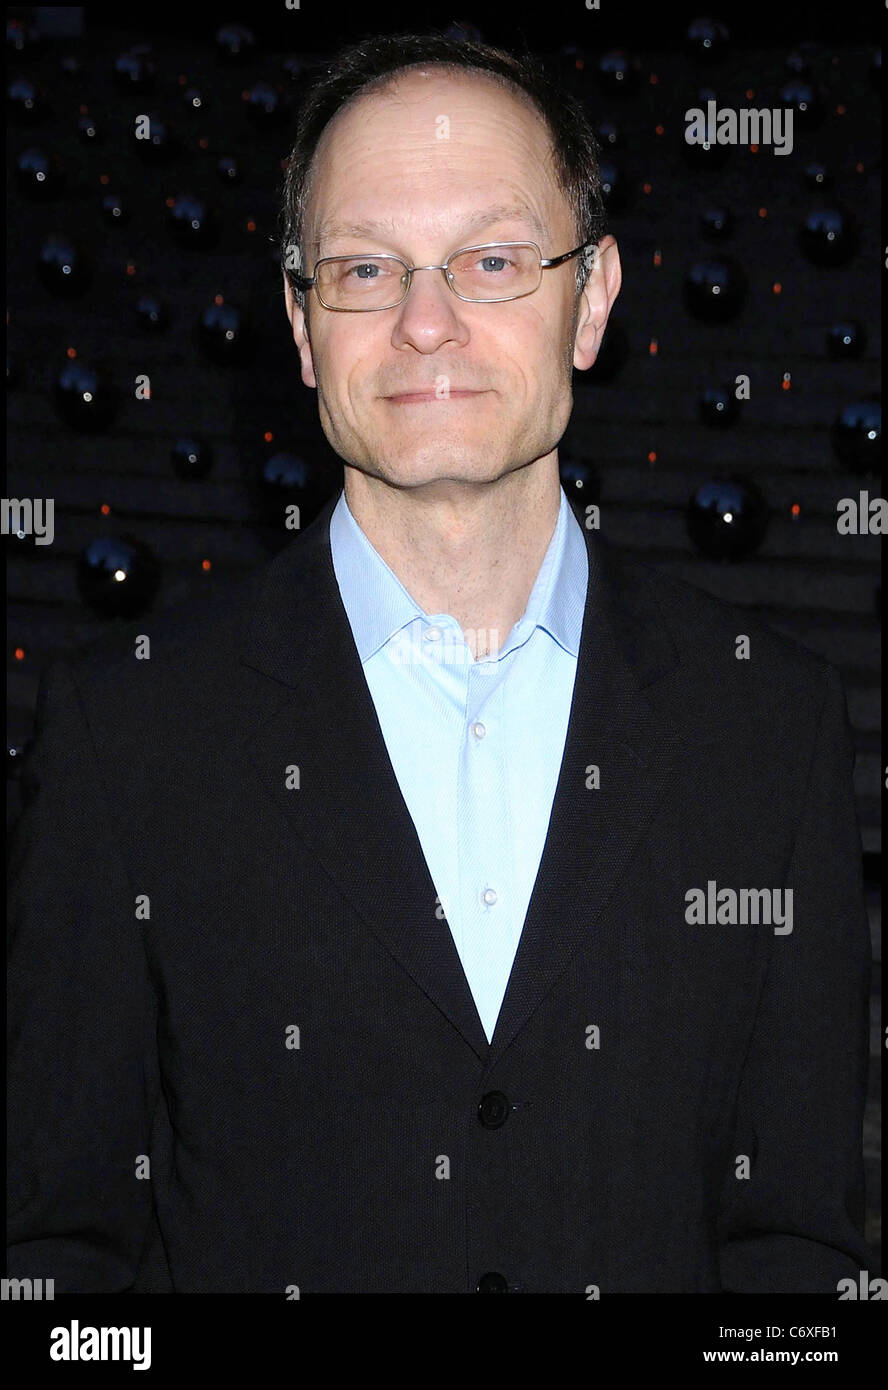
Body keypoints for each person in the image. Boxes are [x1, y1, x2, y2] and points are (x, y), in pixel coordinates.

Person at [7, 32, 871, 1294]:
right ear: (302, 325)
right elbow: (60, 1254)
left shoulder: (772, 722)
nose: (426, 320)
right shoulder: (121, 727)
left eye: (493, 259)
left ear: (596, 296)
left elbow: (793, 1250)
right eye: (366, 268)